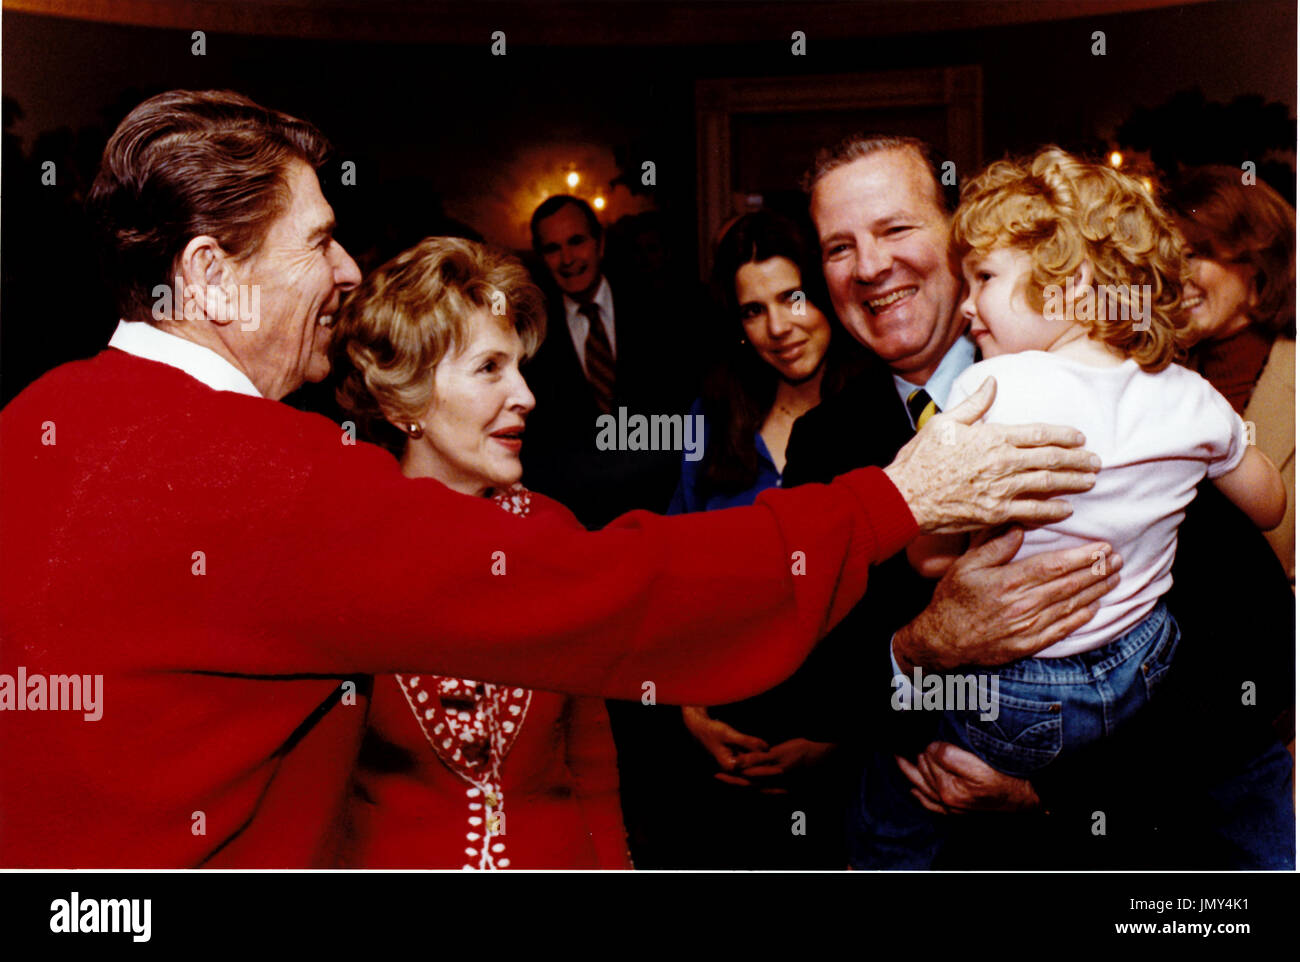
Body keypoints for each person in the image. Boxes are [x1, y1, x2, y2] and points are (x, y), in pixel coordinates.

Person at [0, 92, 1097, 868]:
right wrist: (894, 498)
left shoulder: (31, 419)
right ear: (208, 276)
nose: (346, 270)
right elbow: (613, 588)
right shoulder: (265, 469)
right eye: (320, 240)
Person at [783, 133, 1295, 869]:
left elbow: (1254, 646)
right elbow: (808, 673)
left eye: (895, 228)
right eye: (838, 247)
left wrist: (1061, 788)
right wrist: (918, 646)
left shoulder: (1143, 378)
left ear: (956, 235)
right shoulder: (825, 440)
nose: (869, 267)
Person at [330, 236, 630, 869]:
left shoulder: (556, 534)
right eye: (490, 368)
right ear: (402, 396)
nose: (526, 395)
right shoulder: (340, 553)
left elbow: (593, 762)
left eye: (519, 366)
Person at [660, 210, 867, 867]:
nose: (778, 328)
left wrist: (841, 738)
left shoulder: (881, 415)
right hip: (727, 733)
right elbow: (672, 577)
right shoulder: (715, 418)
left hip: (856, 741)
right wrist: (691, 711)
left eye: (793, 297)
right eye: (754, 311)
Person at [520, 194, 695, 530]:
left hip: (662, 515)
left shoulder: (659, 308)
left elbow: (681, 419)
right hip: (577, 526)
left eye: (576, 241)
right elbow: (540, 451)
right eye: (553, 248)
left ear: (599, 244)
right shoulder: (532, 333)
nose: (568, 259)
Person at [1164, 167, 1296, 581]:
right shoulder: (1158, 379)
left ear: (1256, 263)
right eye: (1165, 258)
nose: (1174, 276)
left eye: (1192, 256)